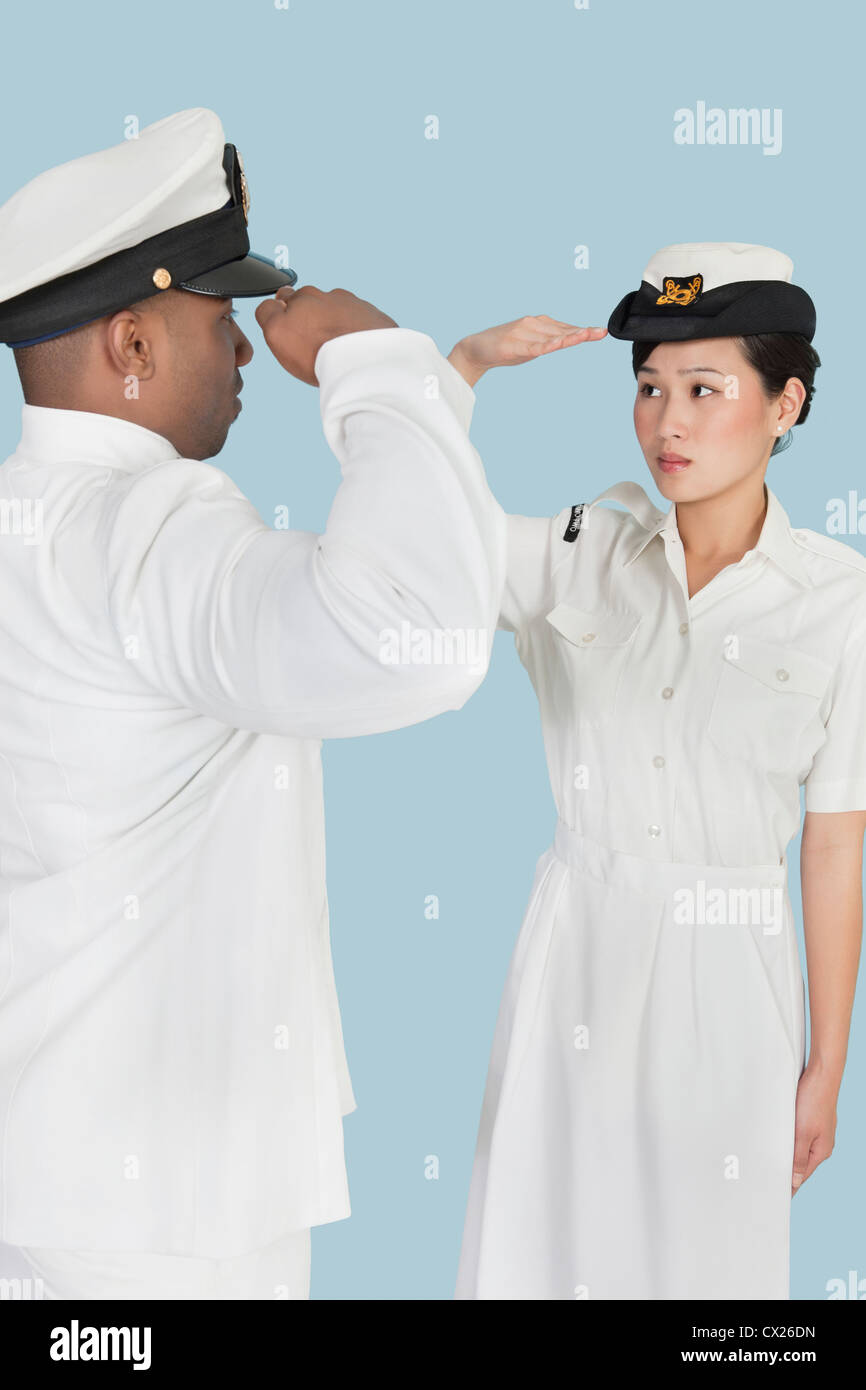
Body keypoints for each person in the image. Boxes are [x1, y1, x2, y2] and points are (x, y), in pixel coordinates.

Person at [0, 106, 511, 1300]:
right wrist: (377, 363)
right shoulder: (149, 527)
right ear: (130, 342)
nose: (241, 352)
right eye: (217, 318)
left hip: (48, 1164)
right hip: (166, 1207)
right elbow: (419, 638)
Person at [446, 242, 866, 1299]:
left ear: (785, 404)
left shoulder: (839, 601)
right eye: (645, 386)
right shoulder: (584, 547)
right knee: (537, 1261)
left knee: (706, 1281)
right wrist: (458, 373)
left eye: (701, 388)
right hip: (573, 947)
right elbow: (426, 547)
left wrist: (824, 1065)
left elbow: (833, 839)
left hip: (730, 976)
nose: (664, 421)